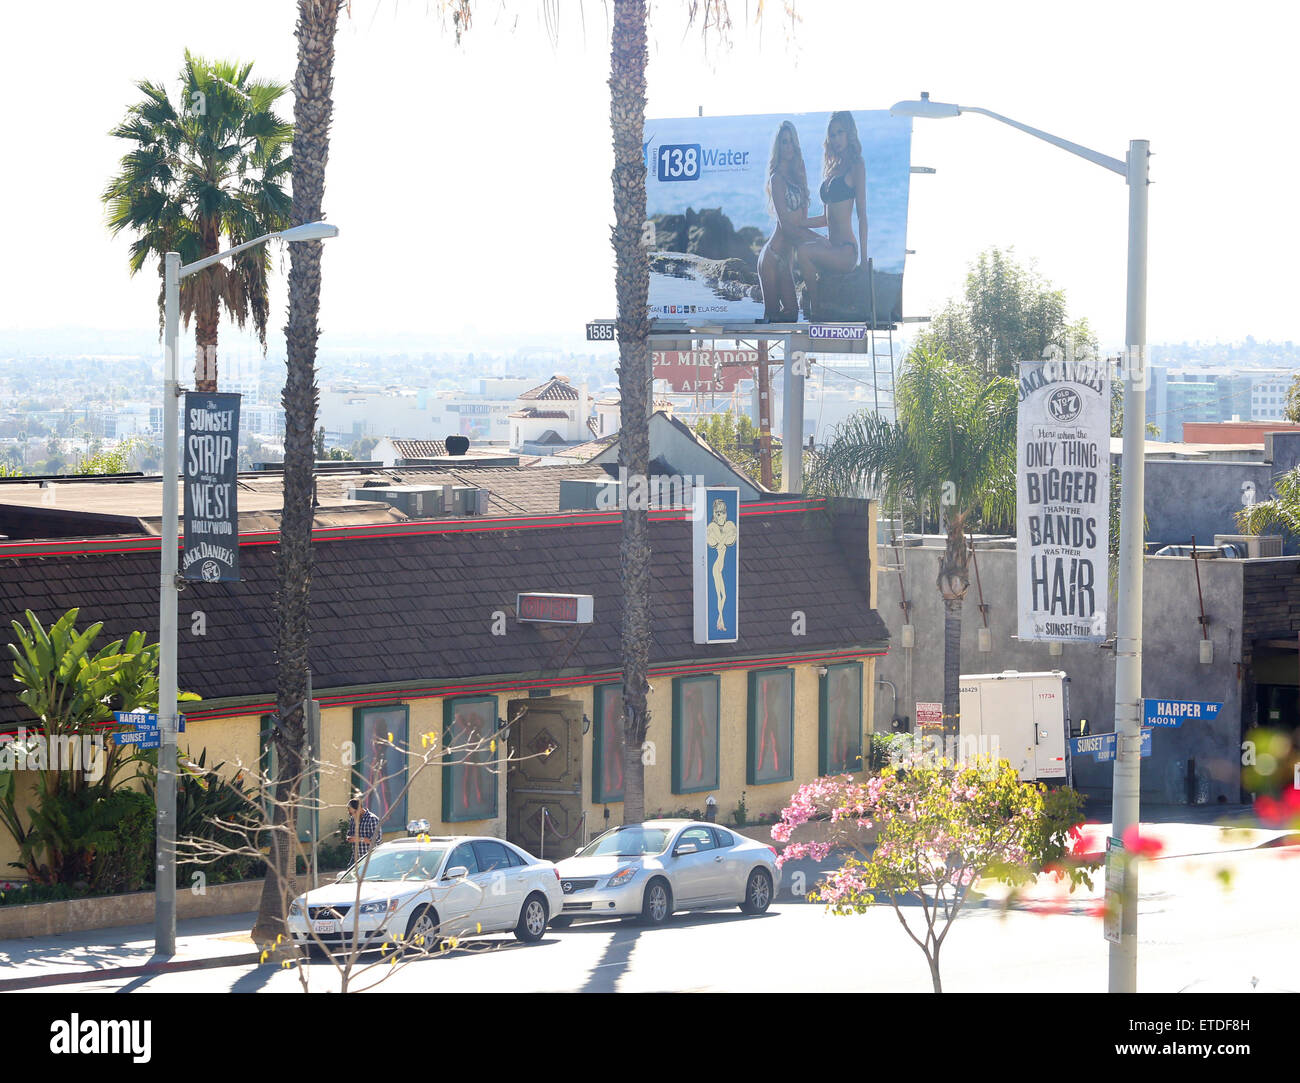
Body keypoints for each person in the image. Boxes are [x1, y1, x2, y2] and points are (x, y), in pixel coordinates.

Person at [796, 111, 869, 321]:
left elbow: (862, 216)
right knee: (795, 235)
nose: (836, 139)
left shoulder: (857, 165)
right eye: (833, 134)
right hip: (830, 246)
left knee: (804, 252)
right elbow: (826, 219)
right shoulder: (831, 169)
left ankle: (817, 309)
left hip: (846, 251)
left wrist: (864, 261)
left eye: (840, 133)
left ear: (849, 134)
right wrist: (801, 224)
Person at [756, 120, 826, 322]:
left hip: (784, 260)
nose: (788, 146)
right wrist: (819, 242)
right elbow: (787, 227)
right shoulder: (776, 179)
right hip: (772, 257)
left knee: (792, 315)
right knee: (771, 318)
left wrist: (819, 236)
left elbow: (801, 221)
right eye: (784, 142)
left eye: (791, 142)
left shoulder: (798, 174)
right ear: (778, 147)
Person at [346, 796, 382, 865]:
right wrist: (349, 838)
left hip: (370, 858)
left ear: (360, 809)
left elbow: (377, 840)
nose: (352, 815)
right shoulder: (352, 819)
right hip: (356, 858)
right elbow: (350, 833)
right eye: (350, 813)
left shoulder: (372, 819)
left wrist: (359, 839)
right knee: (349, 875)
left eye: (353, 812)